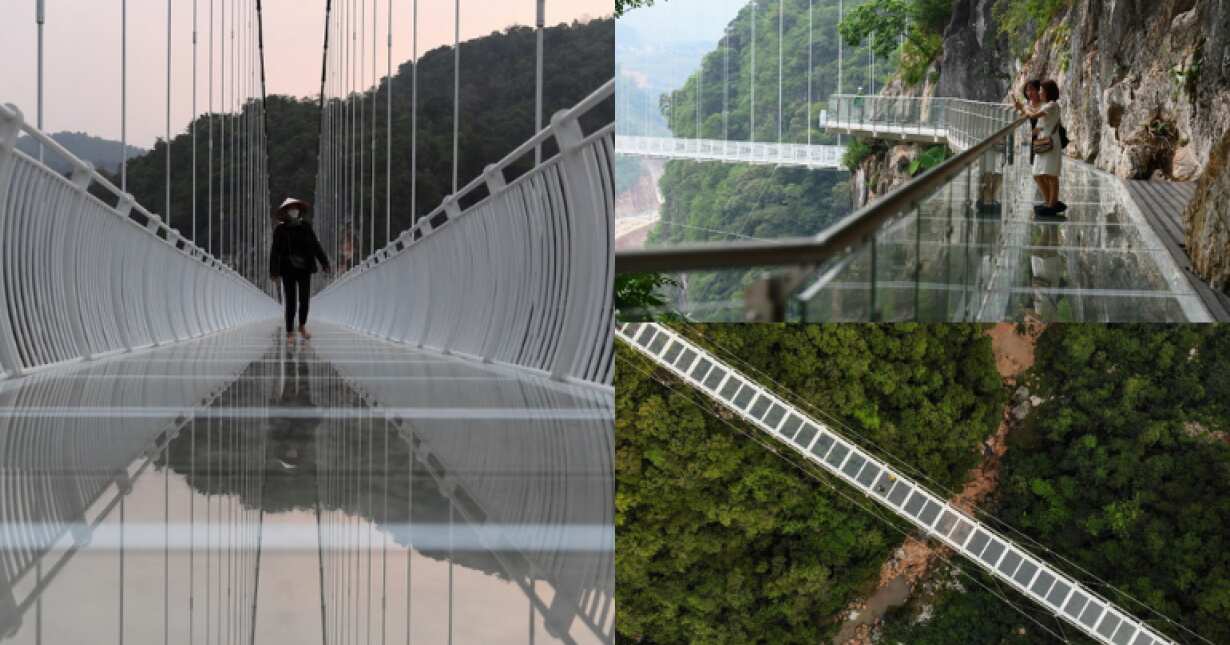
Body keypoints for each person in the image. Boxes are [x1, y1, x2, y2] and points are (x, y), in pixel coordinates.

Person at [269, 197, 331, 342]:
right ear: (286, 212)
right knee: (290, 301)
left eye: (296, 208)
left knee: (304, 300)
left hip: (305, 268)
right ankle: (290, 331)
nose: (294, 211)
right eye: (291, 209)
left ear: (300, 211)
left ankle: (302, 326)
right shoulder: (280, 230)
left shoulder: (306, 227)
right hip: (287, 269)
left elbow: (315, 245)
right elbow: (275, 251)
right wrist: (274, 272)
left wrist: (324, 263)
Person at [1013, 79, 1065, 217]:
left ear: (1048, 92)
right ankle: (1049, 201)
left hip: (1051, 143)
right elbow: (1035, 114)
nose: (1039, 92)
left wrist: (1022, 108)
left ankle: (1051, 203)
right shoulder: (1047, 106)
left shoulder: (1052, 105)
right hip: (1044, 142)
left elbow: (1034, 114)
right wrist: (1022, 108)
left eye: (1041, 90)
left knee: (1051, 175)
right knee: (1038, 173)